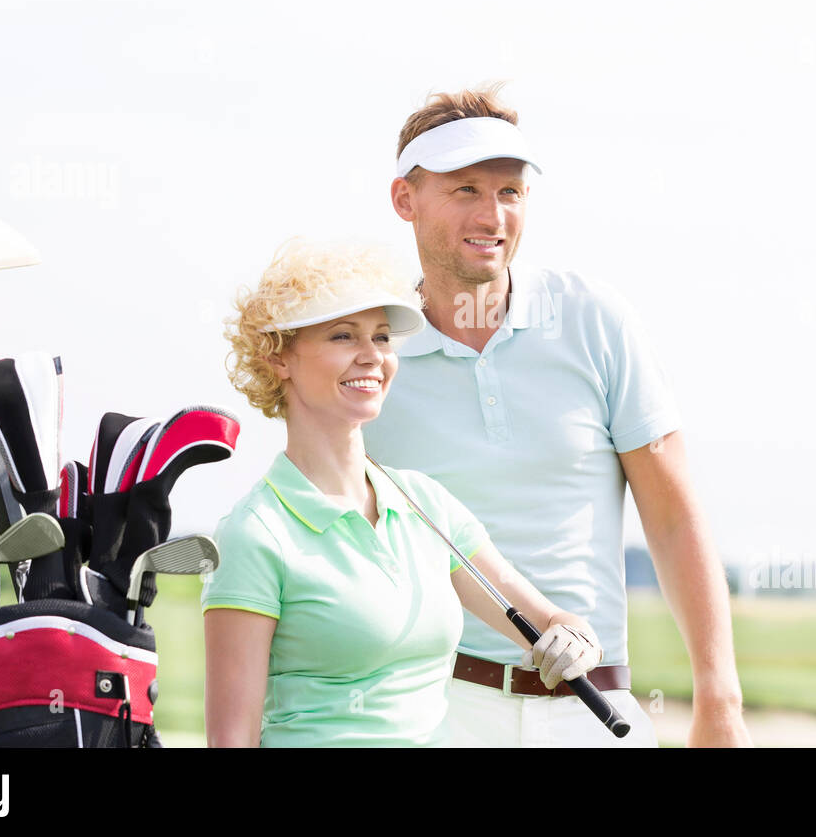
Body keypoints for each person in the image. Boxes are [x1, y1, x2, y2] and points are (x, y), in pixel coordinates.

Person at [362, 84, 754, 747]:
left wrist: (720, 700)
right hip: (433, 710)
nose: (493, 214)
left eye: (510, 192)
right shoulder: (369, 352)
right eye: (466, 190)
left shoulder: (594, 320)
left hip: (594, 708)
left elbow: (672, 512)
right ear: (406, 199)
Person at [201, 238, 604, 747]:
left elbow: (546, 619)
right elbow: (230, 741)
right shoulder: (254, 534)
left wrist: (576, 636)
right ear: (278, 358)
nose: (372, 356)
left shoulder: (425, 504)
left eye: (383, 338)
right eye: (344, 336)